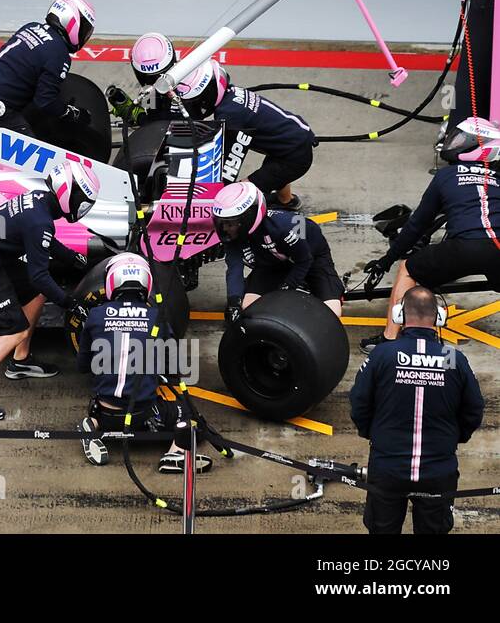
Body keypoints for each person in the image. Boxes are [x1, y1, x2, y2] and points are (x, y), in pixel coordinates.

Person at [0, 159, 99, 421]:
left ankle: (21, 361)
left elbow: (42, 241)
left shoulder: (41, 200)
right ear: (67, 193)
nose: (83, 205)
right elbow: (40, 275)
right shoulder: (41, 219)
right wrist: (70, 303)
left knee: (35, 293)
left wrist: (71, 257)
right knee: (15, 330)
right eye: (82, 199)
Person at [349, 286, 484, 534]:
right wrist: (453, 437)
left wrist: (374, 434)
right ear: (439, 317)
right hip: (438, 469)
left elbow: (359, 403)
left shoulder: (382, 354)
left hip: (388, 467)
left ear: (400, 315)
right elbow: (474, 409)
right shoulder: (454, 358)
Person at [361, 117, 500, 352]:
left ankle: (389, 339)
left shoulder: (445, 176)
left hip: (461, 249)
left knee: (407, 268)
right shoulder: (497, 177)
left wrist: (386, 261)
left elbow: (416, 226)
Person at [76, 253, 212, 473]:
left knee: (104, 399)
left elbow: (82, 365)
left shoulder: (95, 315)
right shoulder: (156, 317)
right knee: (192, 417)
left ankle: (93, 424)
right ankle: (175, 454)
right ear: (146, 283)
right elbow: (171, 366)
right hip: (142, 414)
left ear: (112, 281)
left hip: (104, 409)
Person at [176, 58, 315, 211]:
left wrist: (214, 196)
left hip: (294, 156)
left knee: (238, 193)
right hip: (293, 140)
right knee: (274, 171)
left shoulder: (230, 116)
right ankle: (287, 201)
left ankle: (254, 224)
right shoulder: (233, 94)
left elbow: (230, 164)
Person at [0, 0, 95, 136]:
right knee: (34, 155)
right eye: (84, 29)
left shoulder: (30, 27)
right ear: (72, 22)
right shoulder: (59, 54)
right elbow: (45, 102)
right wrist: (74, 114)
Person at [211, 181, 344, 323]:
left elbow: (305, 260)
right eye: (222, 222)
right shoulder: (234, 234)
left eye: (230, 223)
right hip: (272, 263)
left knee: (332, 314)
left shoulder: (285, 226)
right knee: (247, 307)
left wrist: (284, 290)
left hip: (311, 258)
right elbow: (234, 268)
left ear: (248, 218)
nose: (225, 229)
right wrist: (233, 303)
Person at [106, 32, 181, 126]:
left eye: (158, 76)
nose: (155, 82)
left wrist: (137, 115)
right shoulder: (148, 89)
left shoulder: (187, 89)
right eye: (149, 77)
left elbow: (157, 126)